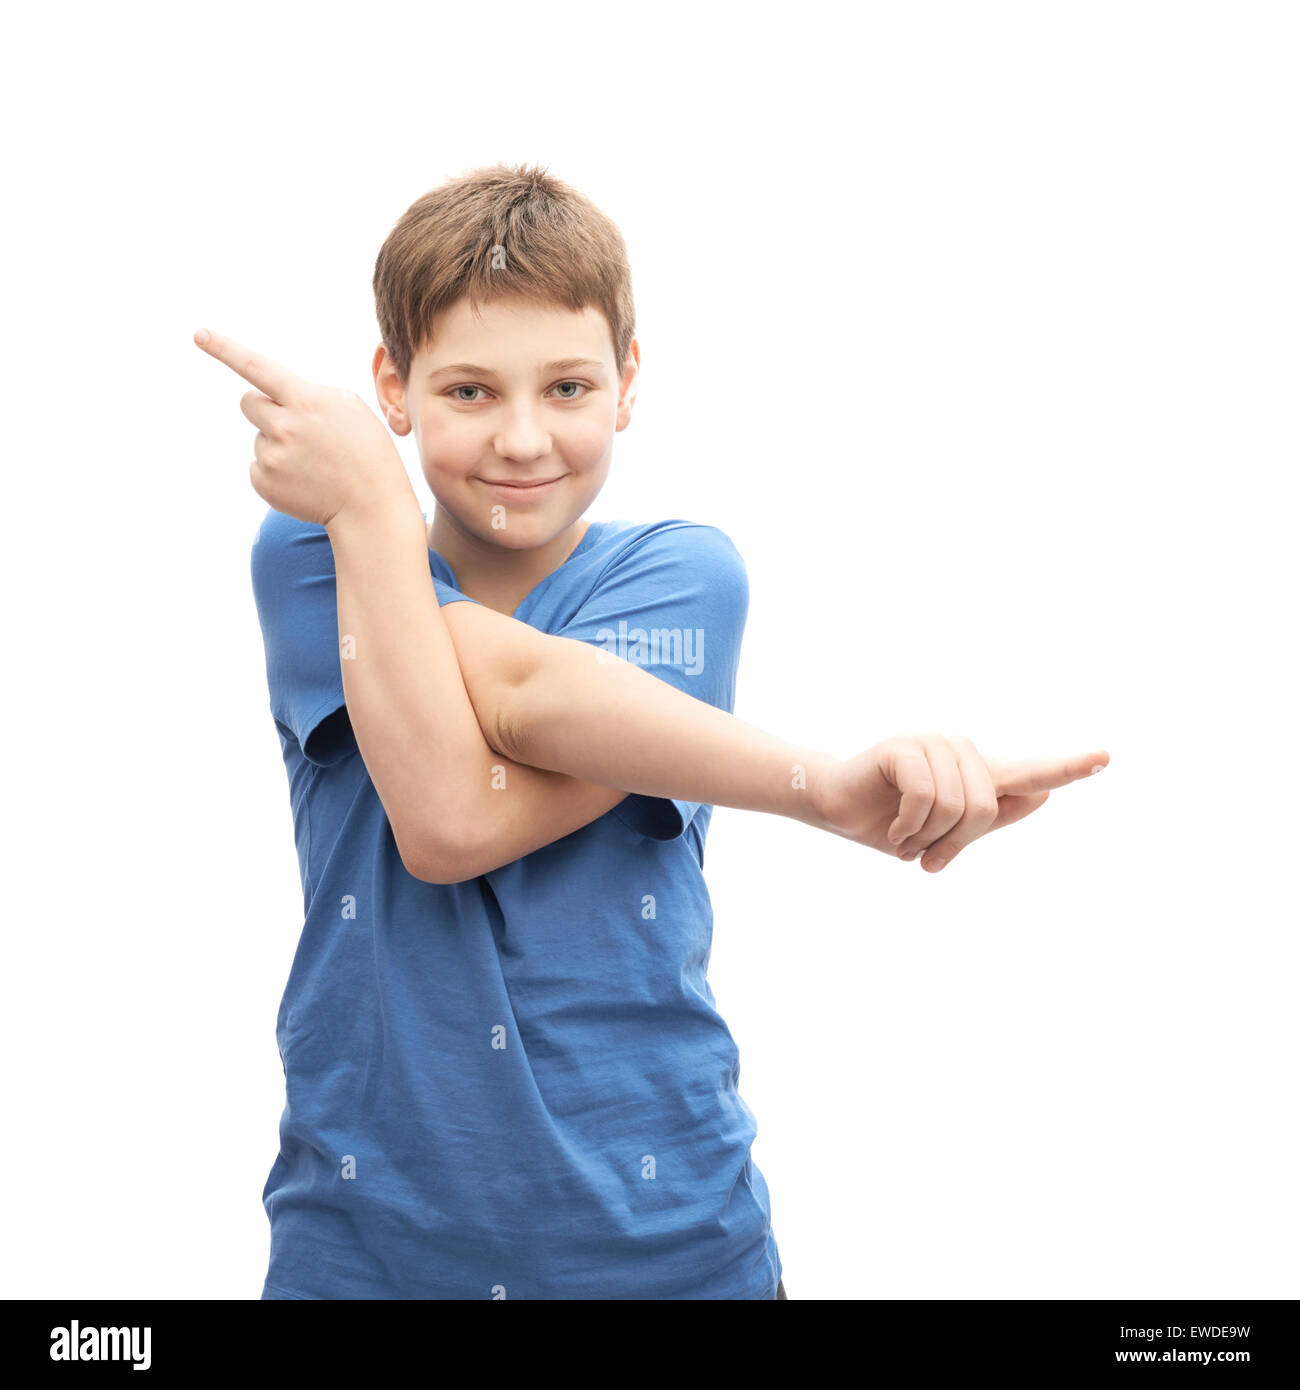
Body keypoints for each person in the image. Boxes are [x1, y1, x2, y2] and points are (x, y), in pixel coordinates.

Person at [201, 161, 1106, 1299]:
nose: (523, 439)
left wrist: (368, 506)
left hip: (667, 1245)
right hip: (365, 1248)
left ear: (629, 381)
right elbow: (442, 814)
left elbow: (518, 717)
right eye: (470, 391)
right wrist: (370, 507)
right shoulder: (310, 549)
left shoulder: (684, 576)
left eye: (568, 388)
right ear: (393, 384)